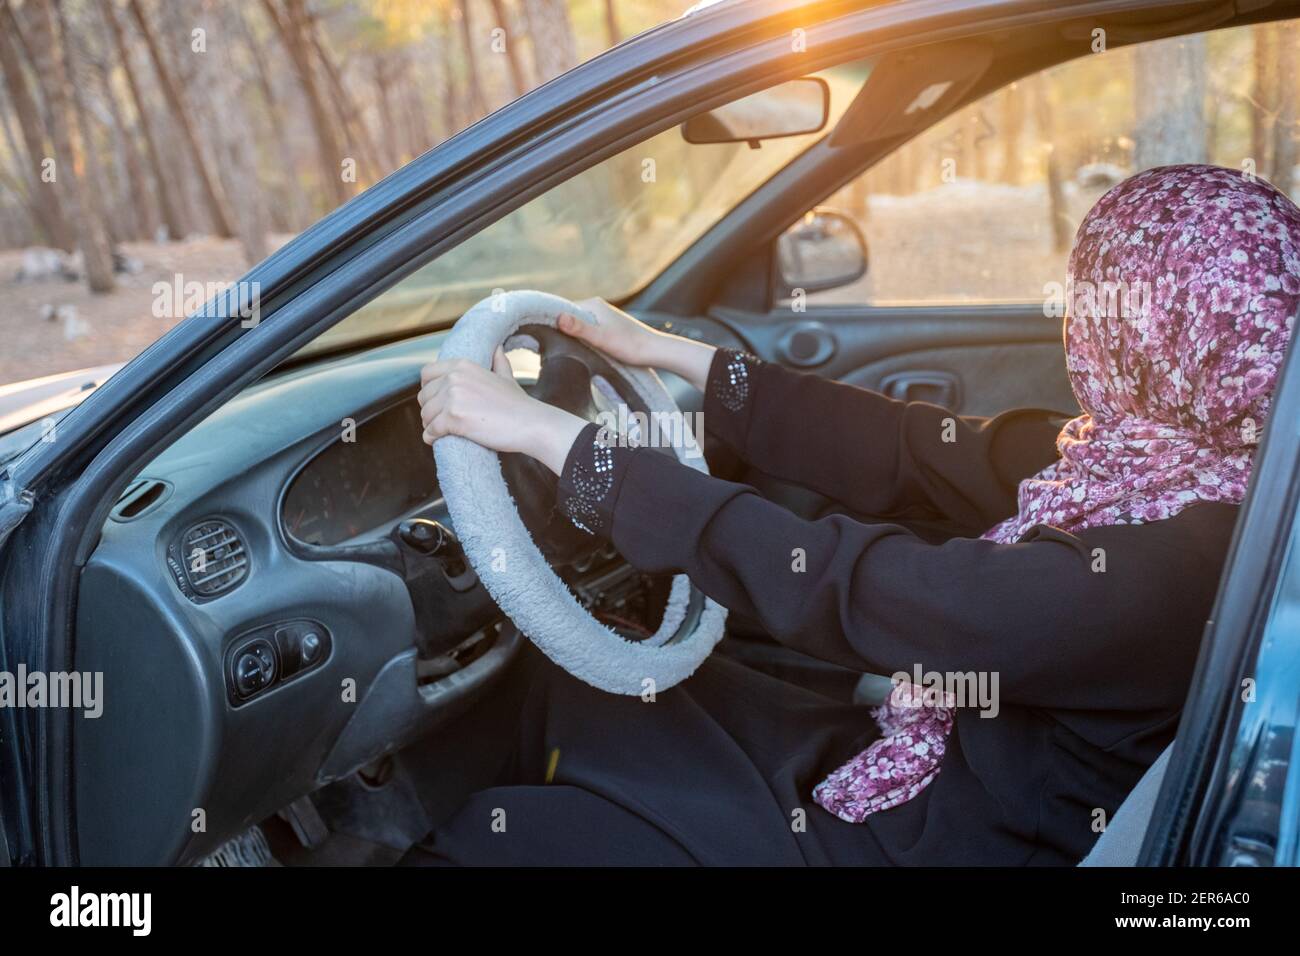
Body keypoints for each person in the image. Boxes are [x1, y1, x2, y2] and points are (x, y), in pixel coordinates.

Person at [403, 164, 1300, 865]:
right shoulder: (1188, 467)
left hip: (952, 839)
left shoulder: (1171, 571)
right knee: (592, 704)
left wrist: (559, 441)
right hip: (958, 767)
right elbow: (914, 447)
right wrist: (668, 353)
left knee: (500, 839)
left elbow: (860, 589)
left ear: (1144, 334)